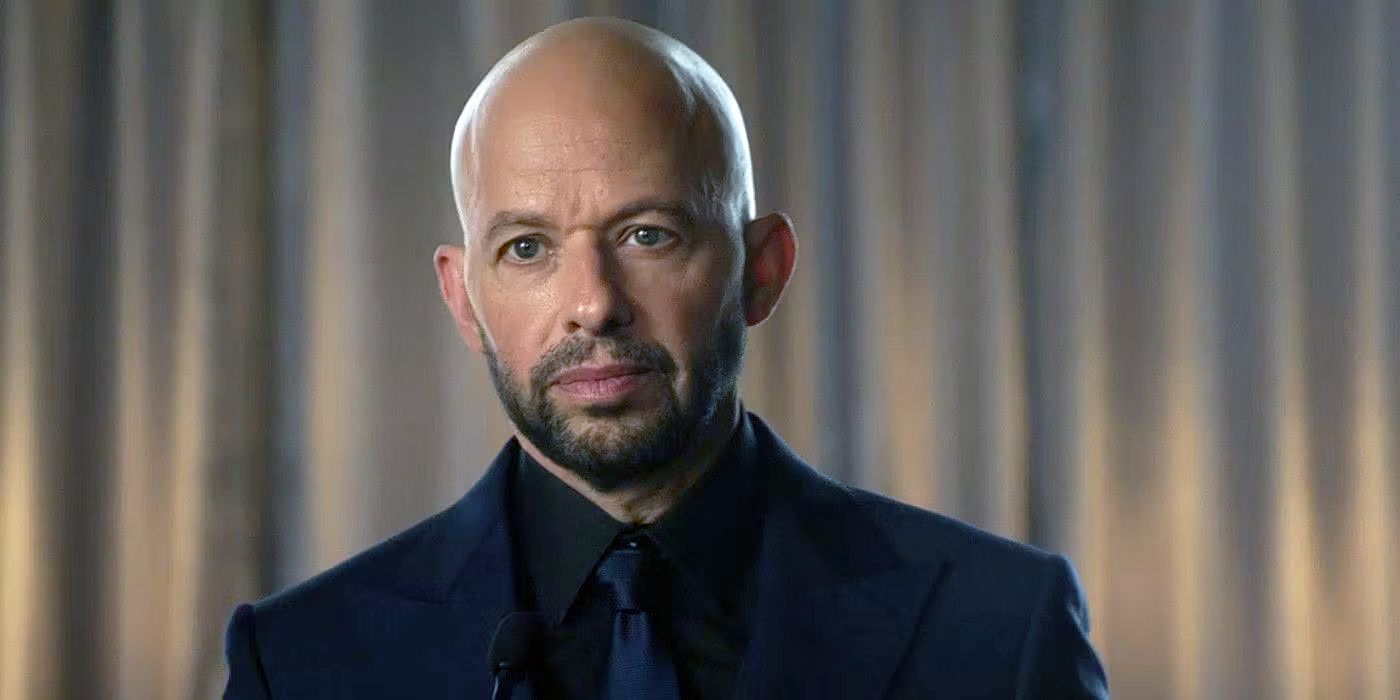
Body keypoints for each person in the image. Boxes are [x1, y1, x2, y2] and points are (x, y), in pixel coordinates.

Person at [223, 17, 1108, 699]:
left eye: (648, 234)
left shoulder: (1000, 632)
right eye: (527, 249)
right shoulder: (300, 663)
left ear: (761, 271)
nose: (594, 303)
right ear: (464, 300)